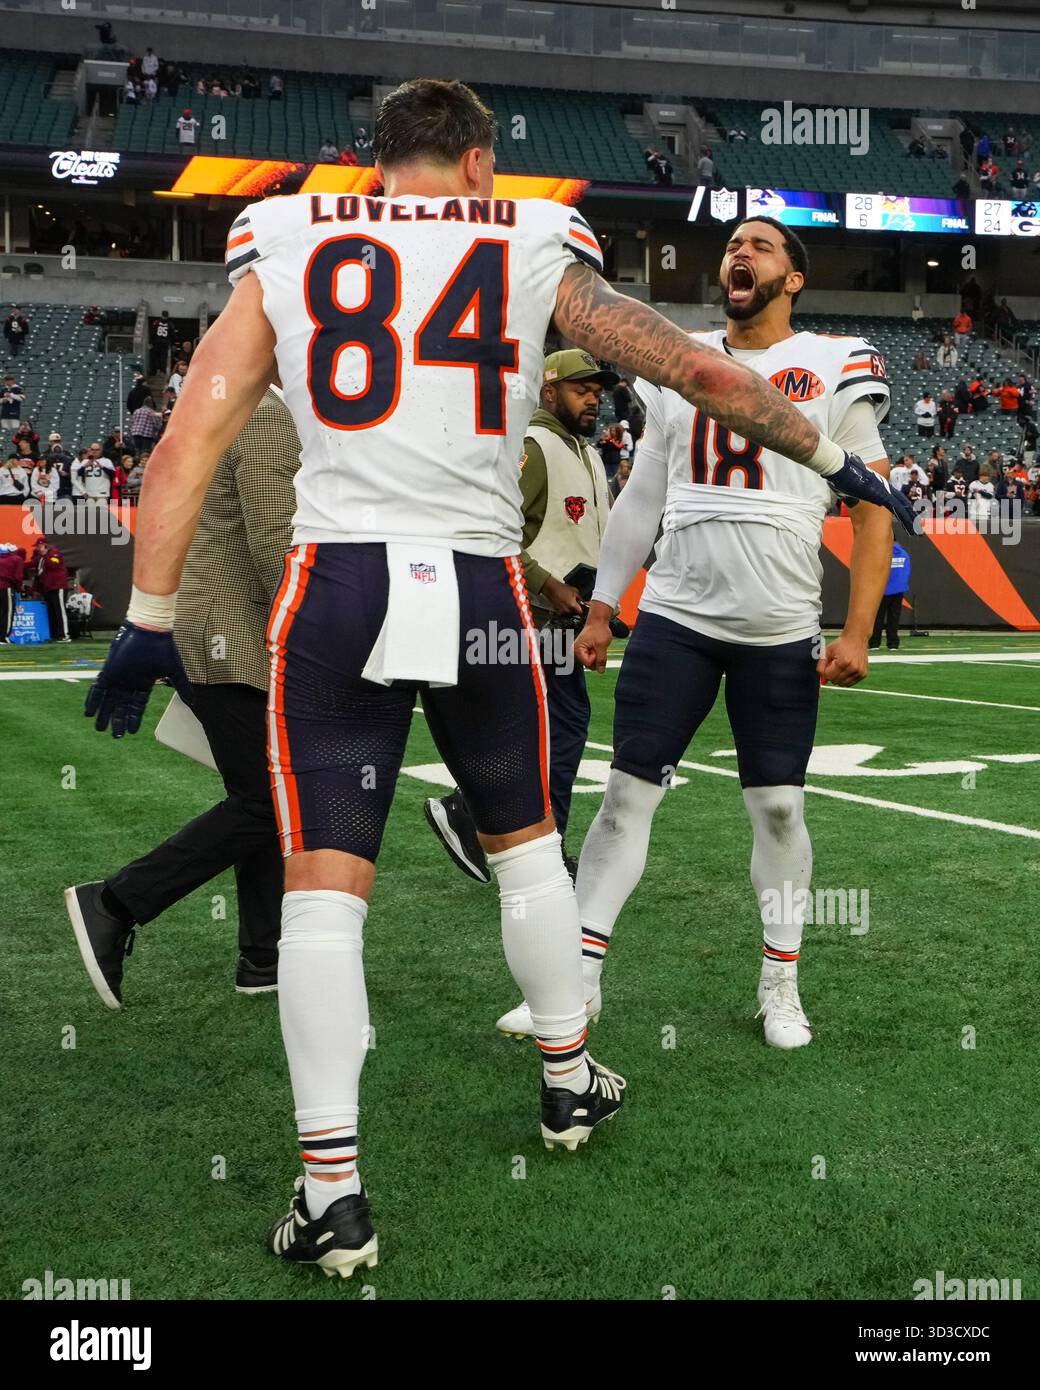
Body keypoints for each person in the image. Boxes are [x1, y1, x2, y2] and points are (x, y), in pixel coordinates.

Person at [81, 80, 906, 1278]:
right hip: (476, 588)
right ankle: (566, 1081)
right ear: (476, 162)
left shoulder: (292, 236)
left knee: (323, 892)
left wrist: (150, 614)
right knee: (525, 849)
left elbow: (189, 435)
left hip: (340, 584)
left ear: (377, 168)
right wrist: (834, 456)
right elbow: (698, 374)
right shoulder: (529, 240)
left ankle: (332, 1197)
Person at [500, 214, 904, 1063]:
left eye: (760, 245)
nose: (738, 254)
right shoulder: (676, 357)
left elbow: (873, 502)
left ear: (794, 277)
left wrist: (859, 629)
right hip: (679, 617)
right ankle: (579, 978)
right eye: (731, 245)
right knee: (626, 796)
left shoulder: (835, 360)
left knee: (780, 805)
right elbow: (644, 493)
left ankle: (780, 980)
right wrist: (605, 606)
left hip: (781, 624)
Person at [67, 390, 301, 1004]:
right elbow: (275, 543)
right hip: (236, 631)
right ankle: (114, 901)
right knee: (265, 801)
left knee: (265, 792)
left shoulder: (238, 402)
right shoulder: (270, 411)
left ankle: (263, 958)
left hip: (210, 623)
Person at [425, 349, 617, 882]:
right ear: (549, 392)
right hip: (527, 615)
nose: (594, 398)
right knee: (559, 727)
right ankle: (522, 837)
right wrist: (546, 584)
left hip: (559, 619)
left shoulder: (585, 452)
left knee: (548, 728)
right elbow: (494, 523)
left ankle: (478, 816)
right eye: (582, 389)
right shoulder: (534, 446)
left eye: (597, 390)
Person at [869, 540, 910, 651]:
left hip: (882, 590)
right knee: (894, 618)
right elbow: (906, 572)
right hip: (898, 591)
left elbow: (875, 571)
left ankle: (874, 643)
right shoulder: (904, 555)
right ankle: (893, 644)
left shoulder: (882, 553)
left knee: (878, 618)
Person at [31, 536, 70, 641]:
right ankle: (55, 634)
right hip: (48, 588)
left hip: (58, 587)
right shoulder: (41, 558)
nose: (38, 549)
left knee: (60, 611)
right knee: (52, 612)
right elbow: (35, 569)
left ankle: (65, 635)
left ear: (44, 546)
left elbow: (53, 564)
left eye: (39, 546)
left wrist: (45, 555)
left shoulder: (54, 553)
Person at [0, 543, 25, 642]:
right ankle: (3, 637)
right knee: (8, 612)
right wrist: (19, 588)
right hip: (7, 587)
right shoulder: (16, 559)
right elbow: (18, 577)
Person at [150, 310, 172, 375]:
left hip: (156, 342)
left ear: (161, 315)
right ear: (167, 316)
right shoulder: (169, 324)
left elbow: (152, 332)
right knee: (163, 357)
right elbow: (172, 334)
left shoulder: (156, 322)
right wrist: (171, 342)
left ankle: (157, 370)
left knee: (156, 356)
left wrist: (151, 341)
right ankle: (162, 371)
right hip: (165, 343)